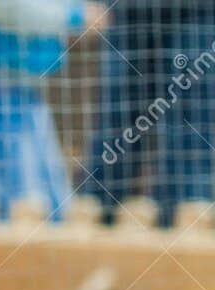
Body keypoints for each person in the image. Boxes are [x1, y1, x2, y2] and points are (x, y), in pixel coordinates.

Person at [0, 0, 111, 219]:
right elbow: (4, 7)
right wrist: (73, 16)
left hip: (16, 85)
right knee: (16, 205)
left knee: (48, 204)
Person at [77, 2, 215, 227]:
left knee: (189, 133)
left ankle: (180, 231)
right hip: (129, 12)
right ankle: (96, 225)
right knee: (117, 129)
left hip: (198, 12)